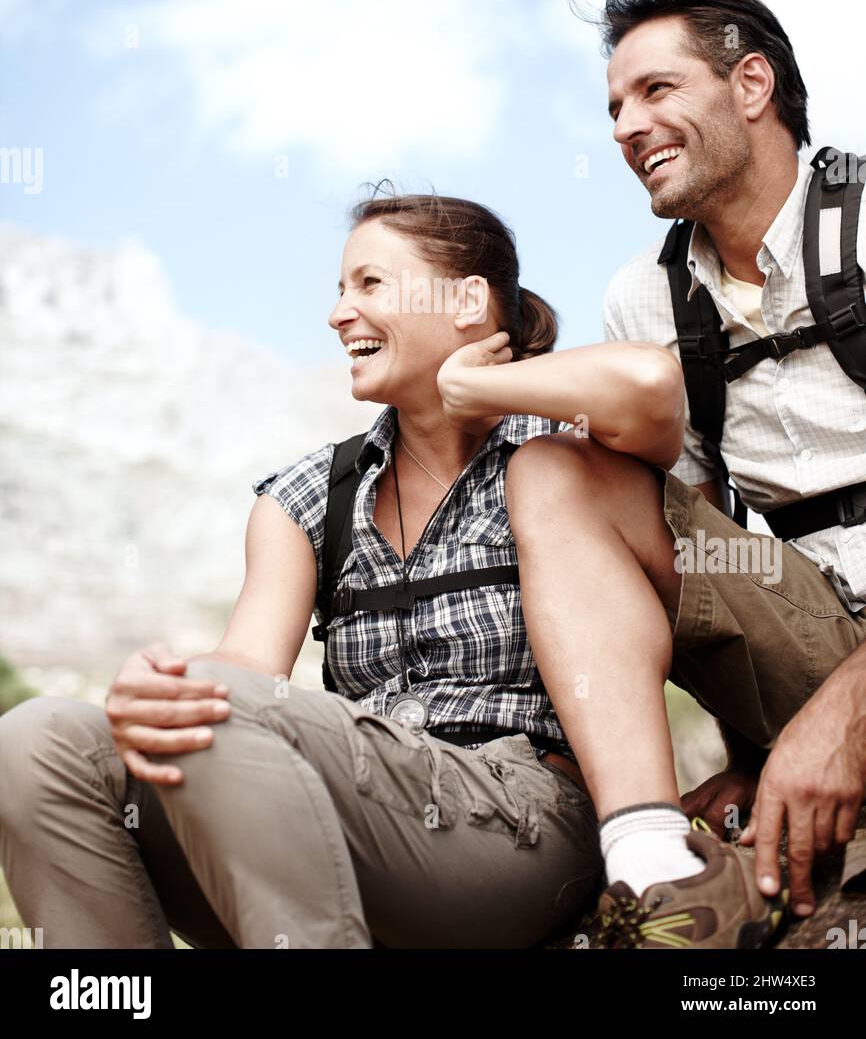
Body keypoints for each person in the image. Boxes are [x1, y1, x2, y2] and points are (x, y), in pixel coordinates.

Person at [0, 189, 682, 950]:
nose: (337, 314)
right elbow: (244, 670)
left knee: (218, 708)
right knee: (41, 741)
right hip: (346, 819)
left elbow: (652, 387)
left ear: (466, 302)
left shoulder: (567, 450)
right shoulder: (304, 499)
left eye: (369, 284)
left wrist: (474, 389)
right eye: (338, 290)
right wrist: (161, 692)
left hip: (519, 819)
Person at [443, 0, 866, 948]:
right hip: (810, 614)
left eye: (655, 90)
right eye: (613, 106)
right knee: (553, 470)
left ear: (751, 88)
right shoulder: (645, 301)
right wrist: (762, 747)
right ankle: (645, 853)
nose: (624, 125)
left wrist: (840, 720)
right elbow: (699, 560)